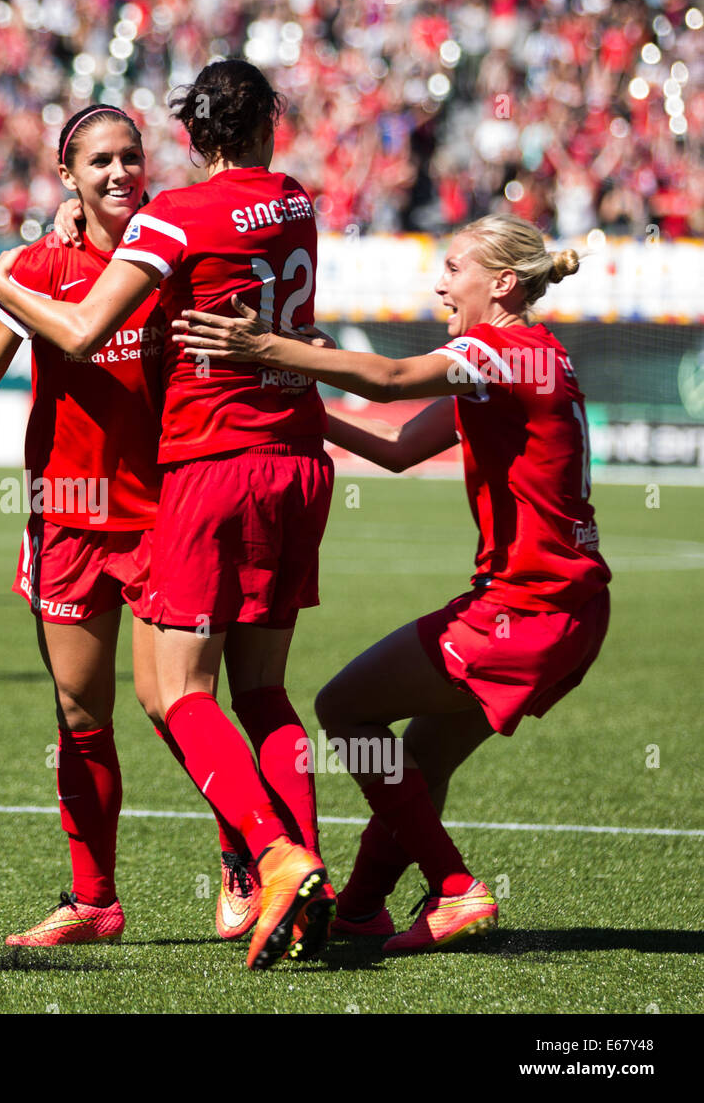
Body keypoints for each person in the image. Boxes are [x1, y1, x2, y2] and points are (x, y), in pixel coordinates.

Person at [171, 213, 610, 953]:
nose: (439, 282)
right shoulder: (534, 355)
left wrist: (266, 348)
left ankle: (454, 889)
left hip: (527, 607)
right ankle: (364, 910)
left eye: (454, 267)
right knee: (422, 763)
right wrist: (297, 393)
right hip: (565, 609)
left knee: (343, 707)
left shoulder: (496, 349)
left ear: (501, 283)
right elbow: (399, 446)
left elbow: (390, 380)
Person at [0, 60, 334, 969]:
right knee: (260, 693)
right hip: (299, 464)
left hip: (209, 469)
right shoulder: (295, 201)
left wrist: (3, 278)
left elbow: (79, 330)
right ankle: (294, 869)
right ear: (269, 128)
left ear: (186, 139)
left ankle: (270, 855)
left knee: (174, 695)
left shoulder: (176, 217)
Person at [0, 105, 243, 947]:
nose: (120, 173)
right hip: (66, 522)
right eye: (101, 161)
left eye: (133, 157)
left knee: (173, 705)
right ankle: (94, 902)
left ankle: (243, 858)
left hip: (165, 516)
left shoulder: (175, 251)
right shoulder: (38, 265)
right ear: (67, 177)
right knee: (80, 715)